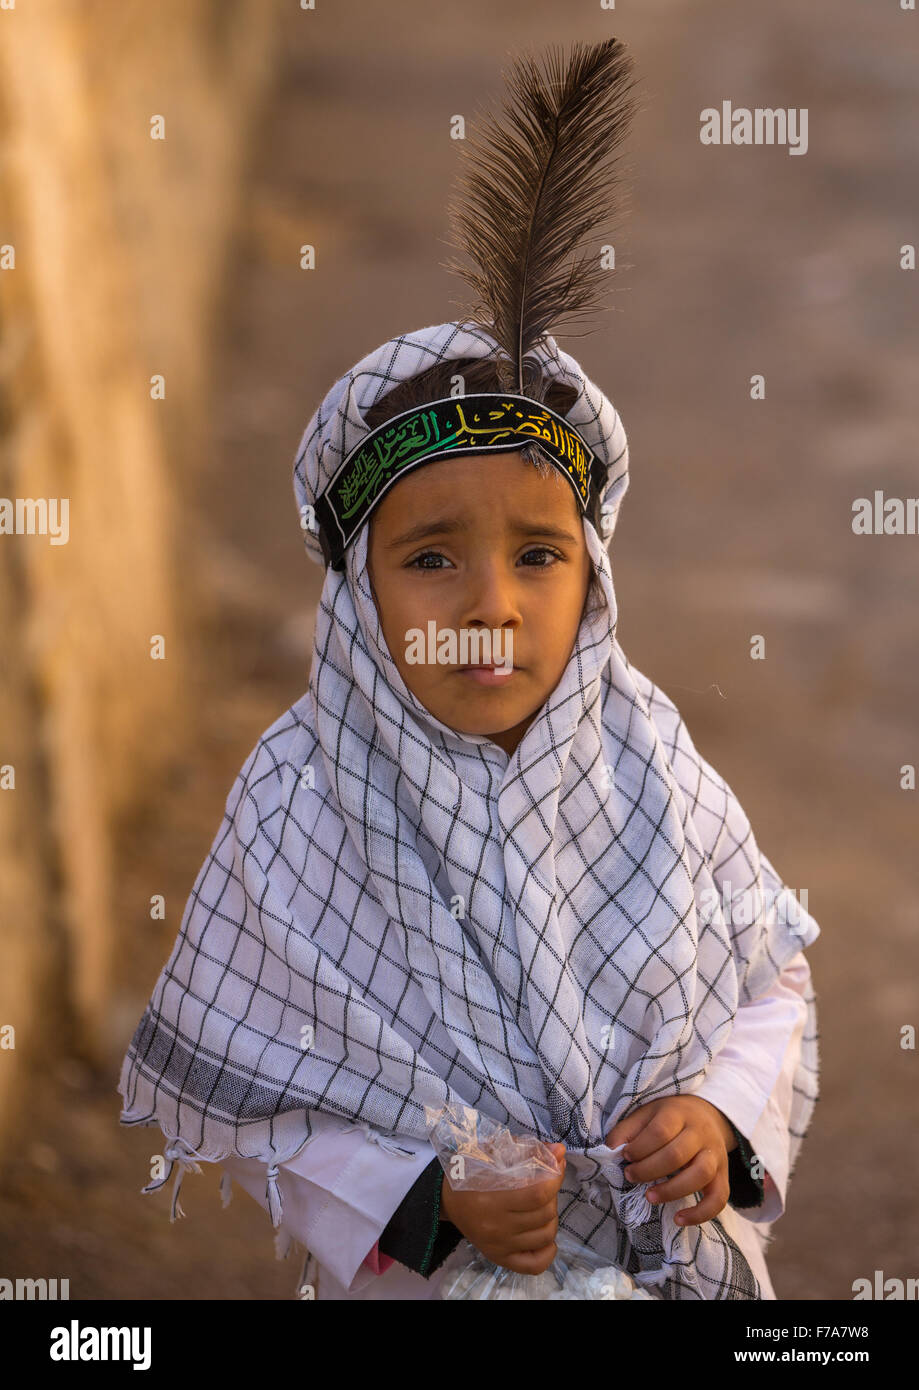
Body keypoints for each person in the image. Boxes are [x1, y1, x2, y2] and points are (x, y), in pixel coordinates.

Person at [117, 40, 820, 1302]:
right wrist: (431, 1204)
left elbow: (767, 976)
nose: (492, 604)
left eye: (538, 555)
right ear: (356, 591)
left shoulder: (649, 761)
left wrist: (716, 1114)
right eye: (432, 557)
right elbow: (272, 1105)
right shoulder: (299, 803)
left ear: (592, 580)